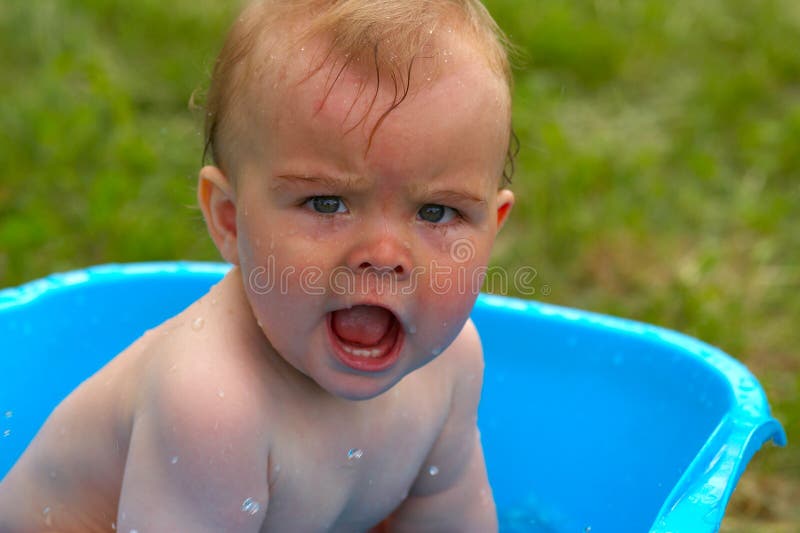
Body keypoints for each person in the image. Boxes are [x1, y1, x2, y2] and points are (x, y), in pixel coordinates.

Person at [0, 0, 516, 530]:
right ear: (230, 219)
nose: (383, 257)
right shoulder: (211, 403)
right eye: (326, 203)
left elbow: (452, 517)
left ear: (491, 228)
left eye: (437, 212)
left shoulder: (451, 365)